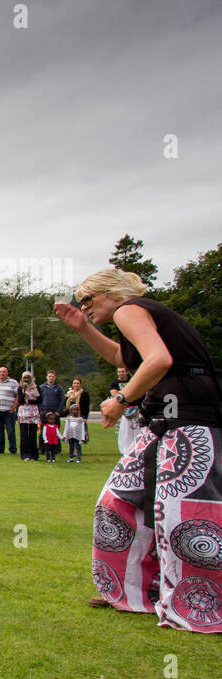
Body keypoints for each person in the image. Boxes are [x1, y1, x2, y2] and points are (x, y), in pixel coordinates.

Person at [57, 268, 222, 632]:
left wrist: (120, 399)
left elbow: (158, 360)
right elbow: (123, 358)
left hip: (188, 421)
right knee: (117, 501)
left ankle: (198, 605)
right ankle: (133, 592)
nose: (84, 308)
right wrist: (84, 330)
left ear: (112, 293)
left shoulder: (129, 309)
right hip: (164, 421)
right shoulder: (138, 314)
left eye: (89, 300)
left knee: (184, 516)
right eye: (80, 303)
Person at [111, 366, 140, 455]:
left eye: (122, 371)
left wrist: (124, 394)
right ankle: (125, 450)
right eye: (119, 372)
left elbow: (138, 392)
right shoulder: (114, 383)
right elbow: (115, 394)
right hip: (124, 410)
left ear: (127, 372)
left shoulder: (132, 380)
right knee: (124, 431)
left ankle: (137, 448)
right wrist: (129, 394)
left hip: (136, 408)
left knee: (136, 430)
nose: (120, 373)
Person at [0, 366, 19, 454]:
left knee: (10, 431)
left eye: (3, 372)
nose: (2, 373)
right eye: (0, 372)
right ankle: (0, 449)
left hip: (8, 411)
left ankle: (13, 449)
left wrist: (13, 408)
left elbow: (18, 396)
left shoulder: (13, 383)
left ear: (7, 373)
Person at [16, 371, 41, 461]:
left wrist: (29, 402)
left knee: (33, 434)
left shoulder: (36, 388)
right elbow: (21, 400)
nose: (26, 380)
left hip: (33, 413)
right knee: (24, 435)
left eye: (28, 378)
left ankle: (34, 454)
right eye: (25, 378)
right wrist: (23, 390)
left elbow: (40, 400)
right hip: (23, 413)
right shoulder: (20, 388)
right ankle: (25, 454)